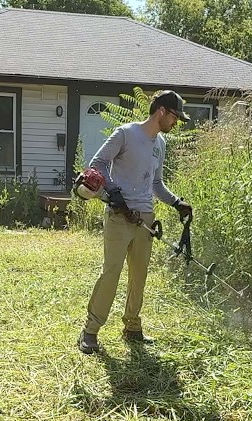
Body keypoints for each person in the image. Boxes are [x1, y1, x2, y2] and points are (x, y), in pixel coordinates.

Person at [78, 90, 194, 355]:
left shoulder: (160, 144)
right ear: (162, 111)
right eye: (175, 117)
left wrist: (177, 202)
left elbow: (155, 184)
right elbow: (97, 164)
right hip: (120, 216)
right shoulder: (126, 134)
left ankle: (132, 327)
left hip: (145, 217)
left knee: (139, 276)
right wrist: (115, 193)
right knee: (111, 273)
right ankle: (90, 331)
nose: (176, 123)